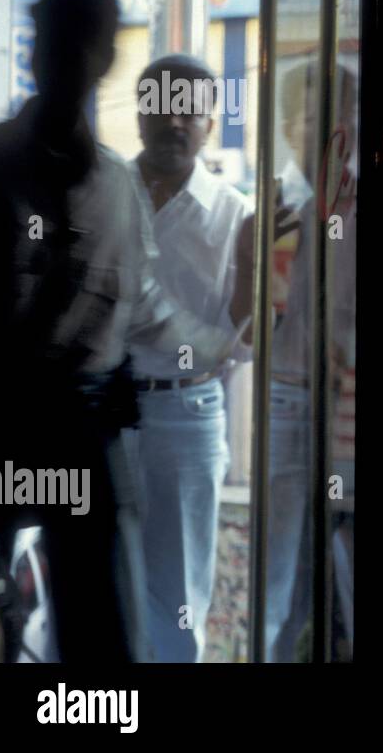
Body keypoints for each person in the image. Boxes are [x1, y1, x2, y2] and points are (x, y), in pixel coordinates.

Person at [0, 0, 241, 662]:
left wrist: (221, 344)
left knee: (106, 638)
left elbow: (147, 304)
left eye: (82, 43)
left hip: (83, 432)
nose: (63, 58)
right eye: (51, 39)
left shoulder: (113, 185)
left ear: (103, 60)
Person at [127, 55, 288, 662]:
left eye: (189, 107)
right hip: (100, 409)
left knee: (178, 598)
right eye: (160, 103)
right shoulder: (107, 191)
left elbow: (247, 343)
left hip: (186, 414)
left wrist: (253, 262)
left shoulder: (235, 212)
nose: (174, 118)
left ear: (210, 123)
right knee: (97, 577)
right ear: (139, 114)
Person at [246, 60, 358, 661]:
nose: (337, 130)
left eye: (346, 117)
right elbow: (247, 325)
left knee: (342, 561)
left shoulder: (364, 206)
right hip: (286, 398)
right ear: (289, 127)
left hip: (347, 407)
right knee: (277, 571)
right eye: (318, 118)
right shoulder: (271, 207)